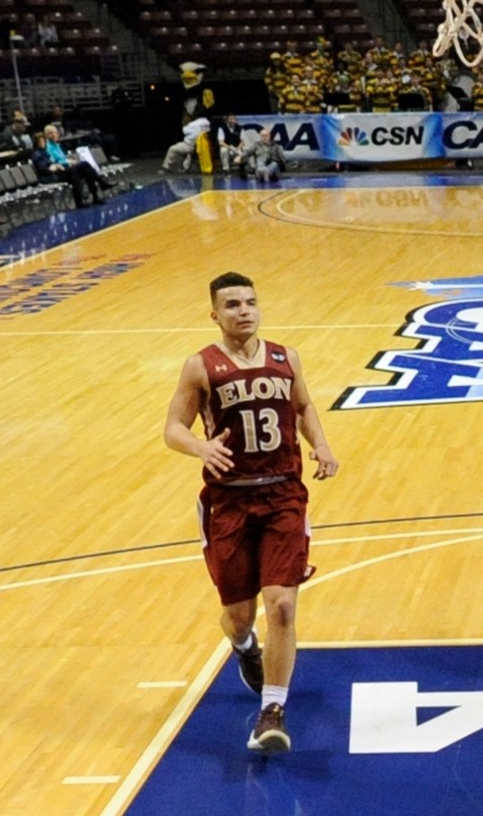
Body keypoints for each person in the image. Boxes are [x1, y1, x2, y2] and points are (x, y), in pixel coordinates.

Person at [163, 272, 341, 754]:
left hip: (283, 494)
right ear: (215, 314)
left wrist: (321, 444)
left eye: (251, 302)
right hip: (229, 502)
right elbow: (173, 429)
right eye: (233, 304)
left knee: (281, 604)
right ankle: (244, 648)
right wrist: (200, 447)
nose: (244, 310)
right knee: (239, 616)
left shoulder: (286, 358)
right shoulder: (200, 367)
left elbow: (303, 406)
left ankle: (273, 711)